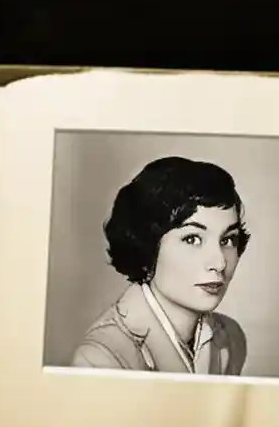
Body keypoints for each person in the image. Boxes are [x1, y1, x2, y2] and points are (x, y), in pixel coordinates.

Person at [71, 156, 250, 375]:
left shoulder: (231, 339)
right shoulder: (101, 358)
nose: (220, 263)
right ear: (148, 244)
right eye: (192, 239)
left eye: (227, 240)